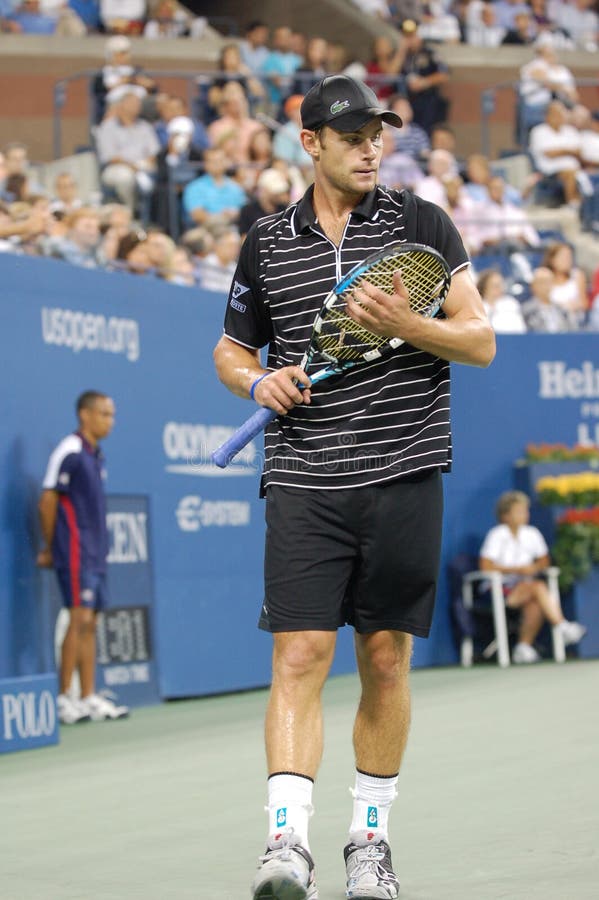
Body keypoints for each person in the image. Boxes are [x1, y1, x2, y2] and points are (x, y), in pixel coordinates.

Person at [212, 73, 495, 900]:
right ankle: (284, 845)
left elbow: (477, 342)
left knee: (385, 660)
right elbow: (230, 350)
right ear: (311, 143)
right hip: (303, 477)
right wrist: (255, 383)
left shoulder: (422, 225)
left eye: (379, 133)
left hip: (403, 470)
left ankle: (367, 843)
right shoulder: (265, 241)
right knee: (298, 655)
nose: (372, 147)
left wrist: (405, 325)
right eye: (353, 135)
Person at [37, 391, 129, 723]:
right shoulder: (71, 451)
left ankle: (88, 696)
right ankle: (64, 698)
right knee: (78, 620)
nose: (110, 421)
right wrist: (51, 547)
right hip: (74, 550)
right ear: (85, 415)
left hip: (94, 551)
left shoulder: (95, 455)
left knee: (91, 622)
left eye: (112, 414)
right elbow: (47, 501)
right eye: (105, 414)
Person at [479, 491, 586, 664]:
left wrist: (533, 568)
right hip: (498, 590)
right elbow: (485, 566)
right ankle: (562, 626)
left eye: (525, 511)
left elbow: (544, 561)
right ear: (505, 515)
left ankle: (523, 647)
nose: (525, 515)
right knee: (538, 588)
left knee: (535, 601)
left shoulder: (532, 533)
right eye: (519, 511)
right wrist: (517, 570)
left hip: (525, 589)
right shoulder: (497, 534)